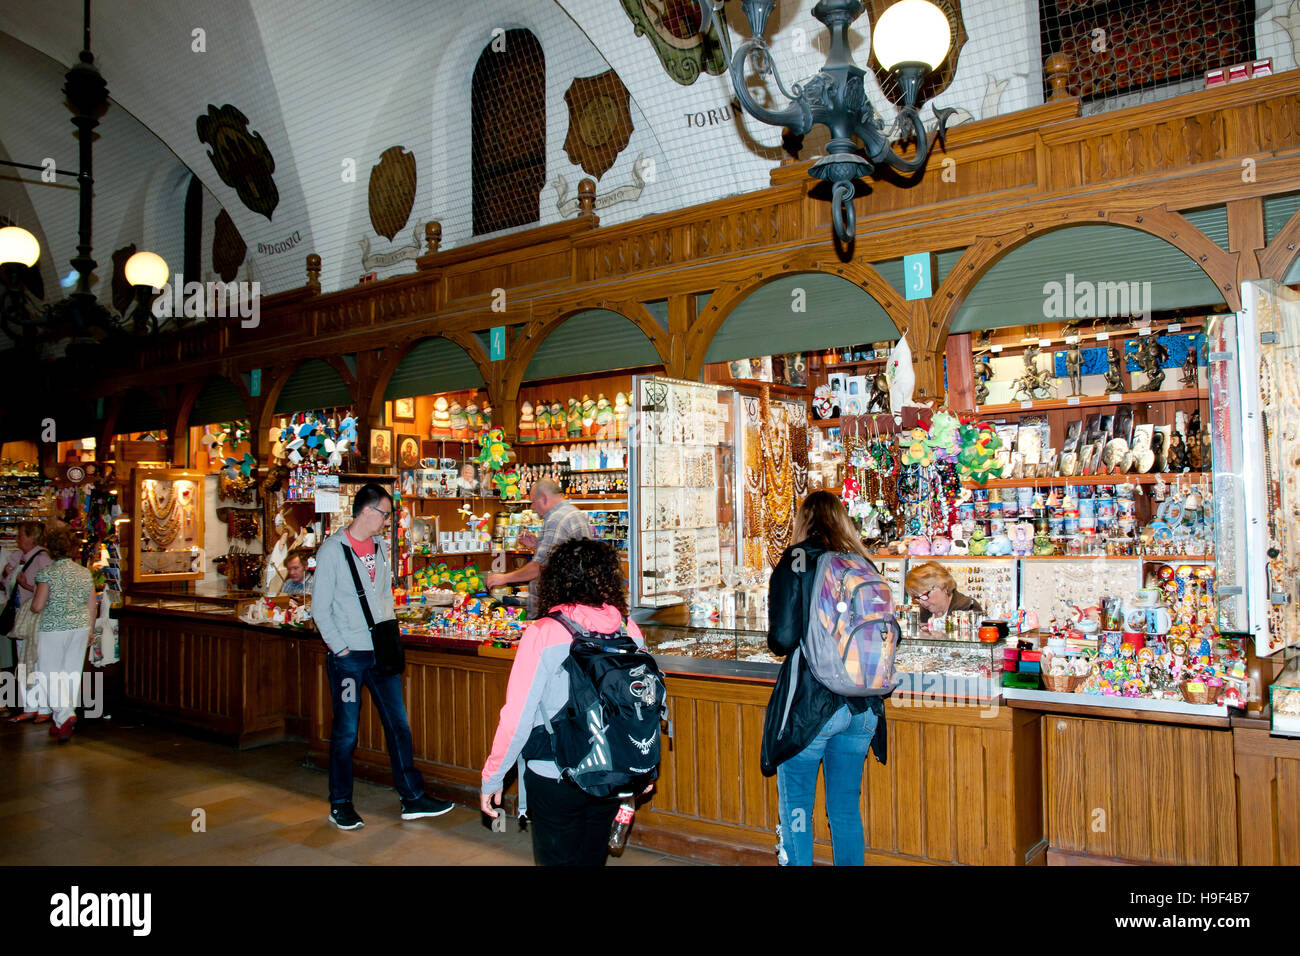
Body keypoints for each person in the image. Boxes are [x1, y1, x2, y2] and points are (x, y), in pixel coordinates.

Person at [480, 538, 647, 866]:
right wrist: (642, 763)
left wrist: (493, 775)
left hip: (554, 772)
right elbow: (642, 707)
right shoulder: (630, 629)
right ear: (608, 578)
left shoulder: (543, 633)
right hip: (611, 770)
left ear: (556, 579)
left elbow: (517, 715)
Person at [312, 483, 453, 829]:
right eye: (384, 514)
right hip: (349, 657)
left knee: (399, 725)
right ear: (366, 511)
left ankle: (412, 797)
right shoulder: (333, 551)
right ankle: (340, 802)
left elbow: (383, 598)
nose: (386, 521)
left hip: (381, 653)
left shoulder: (379, 546)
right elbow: (320, 608)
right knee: (346, 731)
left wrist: (390, 634)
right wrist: (340, 647)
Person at [760, 491, 890, 866]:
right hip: (864, 705)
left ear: (804, 521)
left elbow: (782, 638)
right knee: (846, 809)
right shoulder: (863, 562)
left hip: (812, 706)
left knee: (798, 808)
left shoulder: (797, 559)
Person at [25, 524, 96, 741]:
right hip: (81, 625)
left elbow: (37, 606)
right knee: (71, 673)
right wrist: (91, 630)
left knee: (48, 673)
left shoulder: (47, 573)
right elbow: (92, 604)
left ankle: (64, 715)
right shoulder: (85, 573)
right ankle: (61, 721)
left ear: (50, 549)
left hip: (54, 628)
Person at [484, 478, 592, 618]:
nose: (532, 508)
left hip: (556, 608)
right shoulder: (573, 513)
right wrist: (537, 545)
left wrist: (503, 578)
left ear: (544, 498)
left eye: (533, 502)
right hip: (571, 606)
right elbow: (563, 557)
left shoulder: (556, 519)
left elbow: (540, 566)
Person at [4, 521, 52, 720]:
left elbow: (49, 589)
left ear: (32, 537)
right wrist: (7, 575)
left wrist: (28, 586)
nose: (18, 538)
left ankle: (42, 707)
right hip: (20, 614)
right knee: (23, 659)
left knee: (36, 659)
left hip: (35, 614)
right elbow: (8, 584)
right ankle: (28, 706)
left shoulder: (42, 559)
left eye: (21, 535)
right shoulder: (17, 557)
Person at [905, 561, 982, 629]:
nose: (921, 602)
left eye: (924, 595)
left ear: (943, 586)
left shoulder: (968, 606)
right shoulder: (925, 610)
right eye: (917, 597)